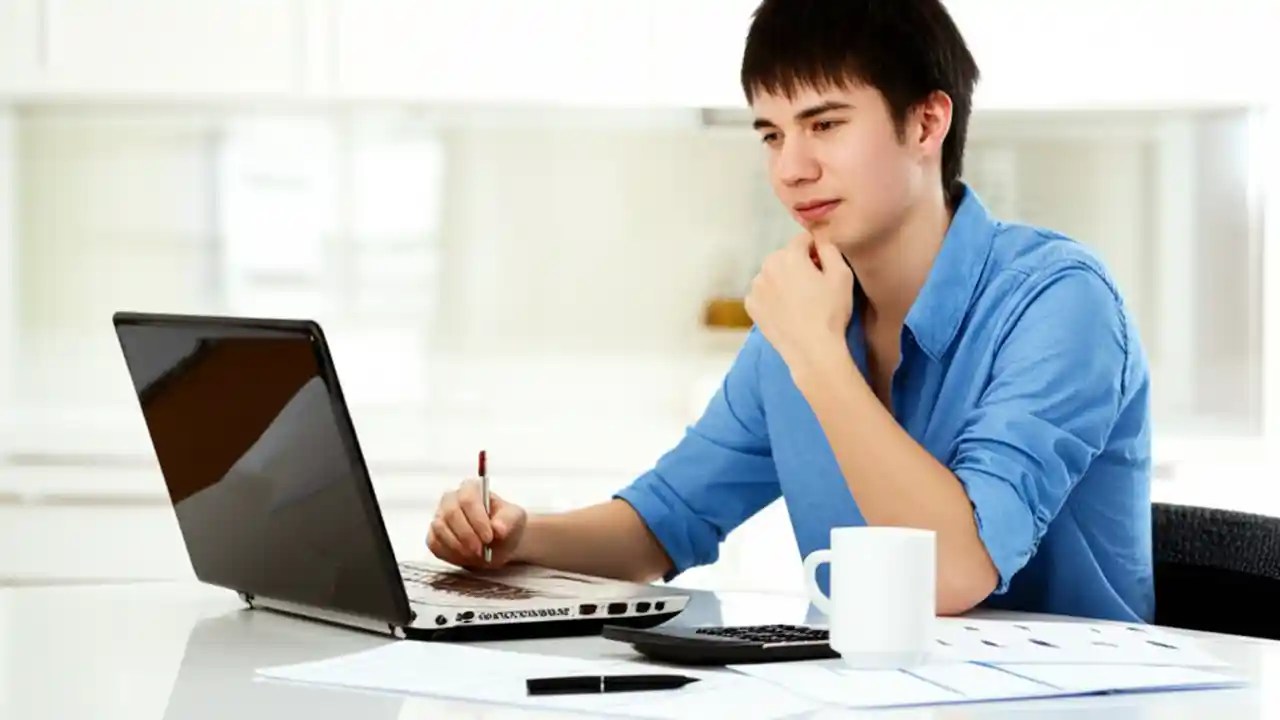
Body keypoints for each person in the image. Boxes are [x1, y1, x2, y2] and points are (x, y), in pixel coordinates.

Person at [426, 0, 1153, 622]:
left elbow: (950, 575)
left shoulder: (1059, 301)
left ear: (928, 123)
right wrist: (520, 539)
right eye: (772, 134)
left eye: (825, 124)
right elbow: (661, 524)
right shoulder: (809, 318)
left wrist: (818, 357)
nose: (789, 169)